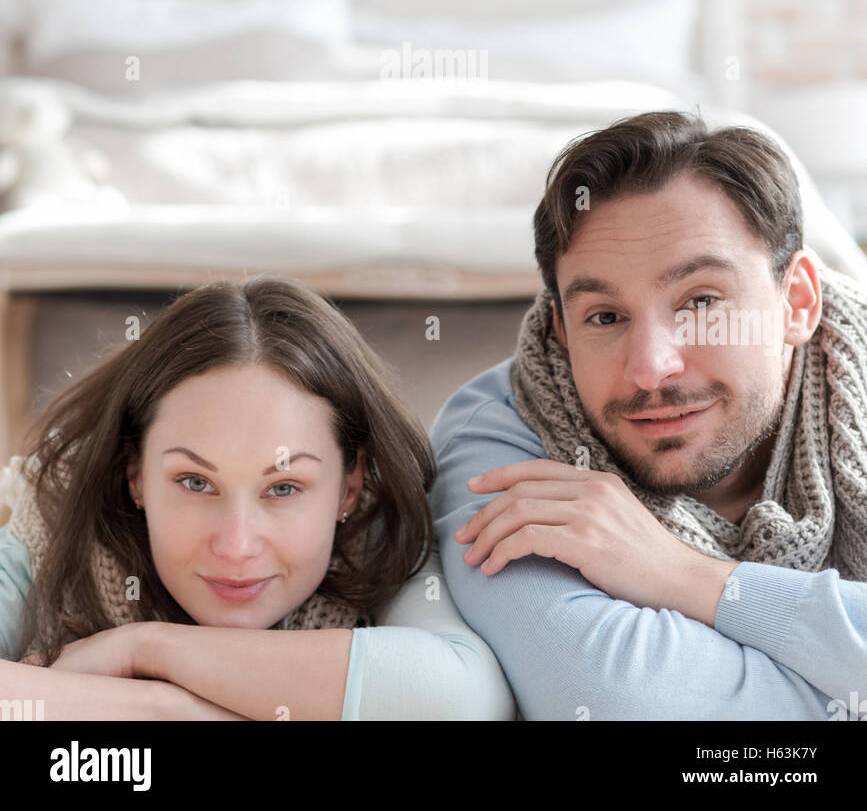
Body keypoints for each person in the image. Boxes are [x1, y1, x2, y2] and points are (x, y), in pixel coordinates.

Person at [429, 109, 867, 720]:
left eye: (701, 301)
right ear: (561, 332)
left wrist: (682, 574)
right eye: (605, 317)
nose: (650, 368)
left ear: (796, 301)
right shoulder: (499, 440)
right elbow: (620, 702)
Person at [0, 275, 515, 720]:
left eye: (284, 488)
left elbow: (462, 699)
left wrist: (146, 651)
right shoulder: (52, 518)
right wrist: (168, 709)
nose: (237, 546)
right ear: (134, 473)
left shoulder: (382, 527)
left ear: (350, 486)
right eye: (195, 482)